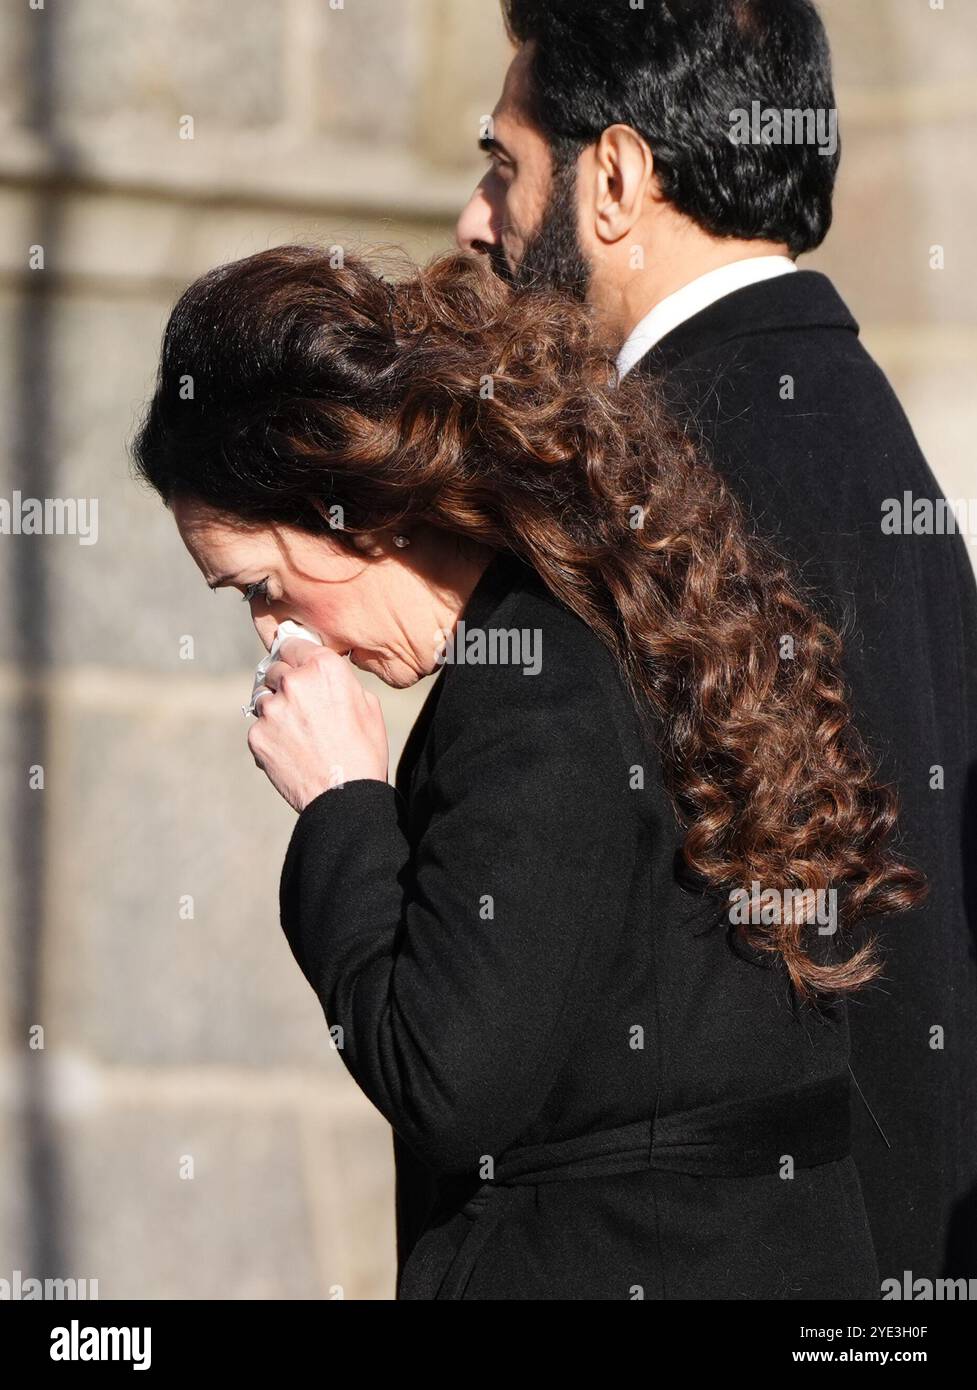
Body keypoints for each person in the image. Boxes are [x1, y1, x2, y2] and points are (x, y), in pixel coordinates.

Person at [133, 243, 926, 1299]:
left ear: (352, 503)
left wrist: (340, 804)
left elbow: (447, 1081)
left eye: (263, 586)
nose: (273, 635)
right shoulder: (587, 608)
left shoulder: (532, 682)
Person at [456, 0, 977, 1284]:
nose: (478, 220)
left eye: (503, 167)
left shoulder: (650, 476)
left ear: (616, 179)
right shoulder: (848, 417)